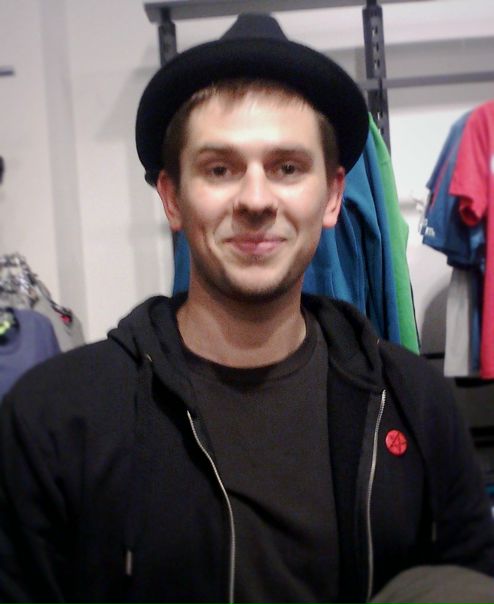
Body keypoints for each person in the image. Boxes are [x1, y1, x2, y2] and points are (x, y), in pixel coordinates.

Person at [0, 13, 493, 604]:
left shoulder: (415, 402)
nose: (256, 200)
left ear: (333, 196)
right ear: (172, 198)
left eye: (287, 168)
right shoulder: (55, 417)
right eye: (219, 169)